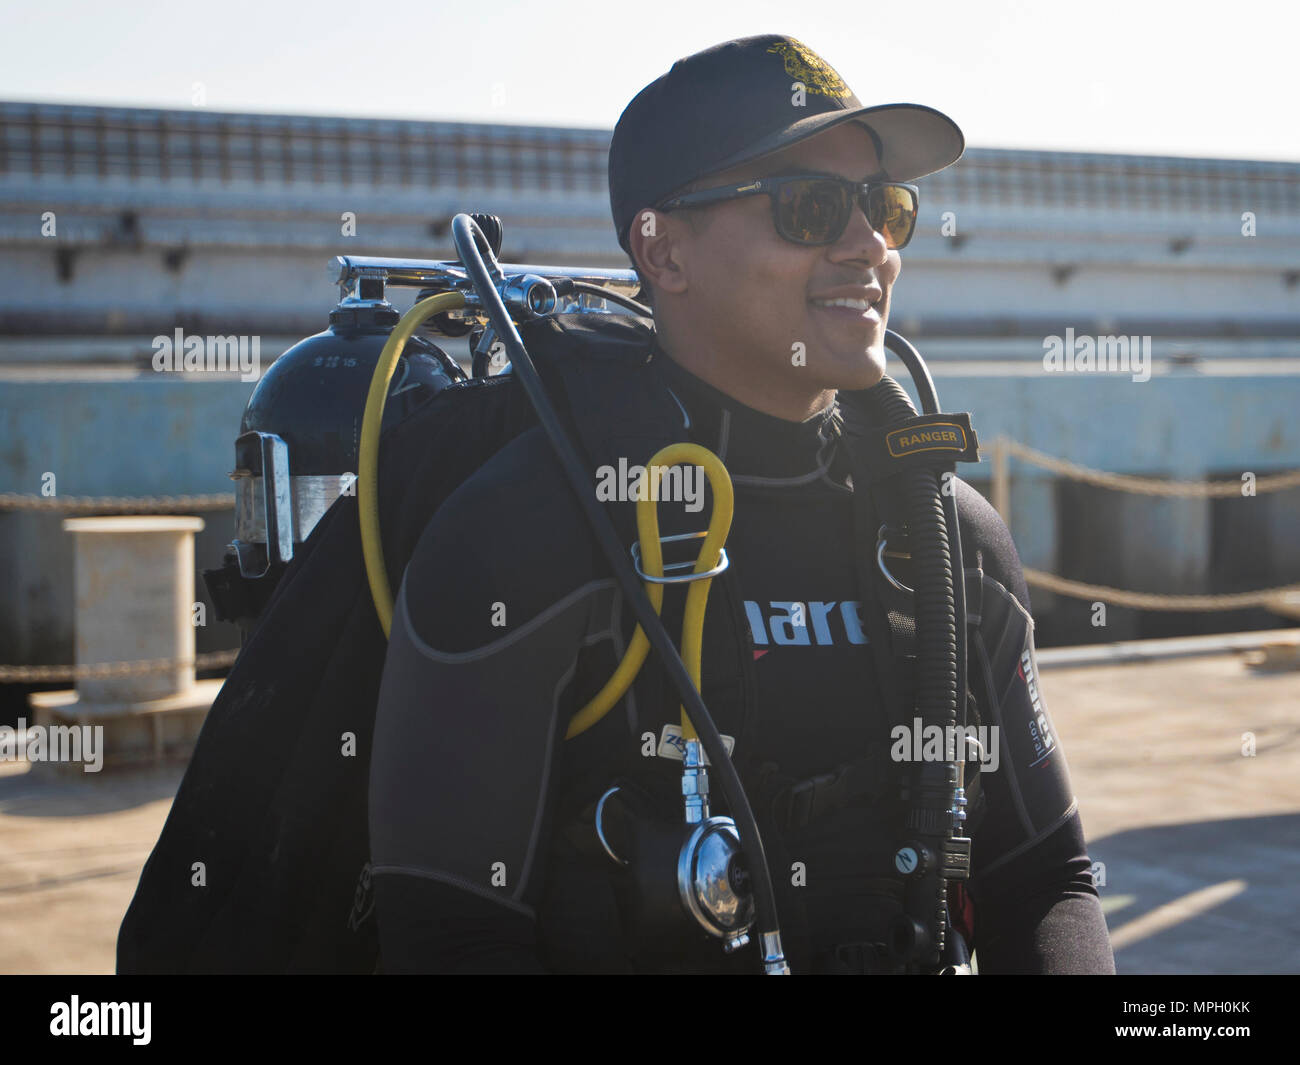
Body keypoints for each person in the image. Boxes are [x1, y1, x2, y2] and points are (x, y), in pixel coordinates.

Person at [367, 33, 1116, 974]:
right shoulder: (529, 542)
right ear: (664, 249)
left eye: (885, 207)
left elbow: (1044, 876)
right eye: (811, 208)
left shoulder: (947, 541)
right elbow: (449, 934)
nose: (870, 247)